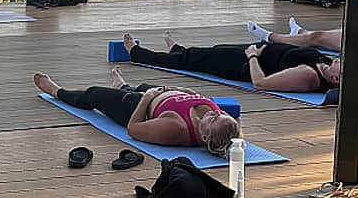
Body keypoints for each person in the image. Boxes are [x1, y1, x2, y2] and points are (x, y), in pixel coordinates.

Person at [33, 67, 241, 156]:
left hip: (137, 107)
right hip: (163, 95)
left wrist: (147, 99)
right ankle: (123, 86)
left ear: (204, 135)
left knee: (93, 94)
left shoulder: (174, 128)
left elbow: (133, 129)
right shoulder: (216, 118)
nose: (217, 113)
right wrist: (185, 92)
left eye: (215, 119)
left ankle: (55, 90)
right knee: (140, 86)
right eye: (222, 113)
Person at [123, 32, 341, 93]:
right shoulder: (327, 63)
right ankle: (179, 49)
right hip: (255, 52)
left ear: (334, 79)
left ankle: (138, 53)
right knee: (212, 50)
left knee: (191, 60)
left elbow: (261, 83)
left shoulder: (309, 75)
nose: (339, 61)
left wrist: (253, 56)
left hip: (246, 64)